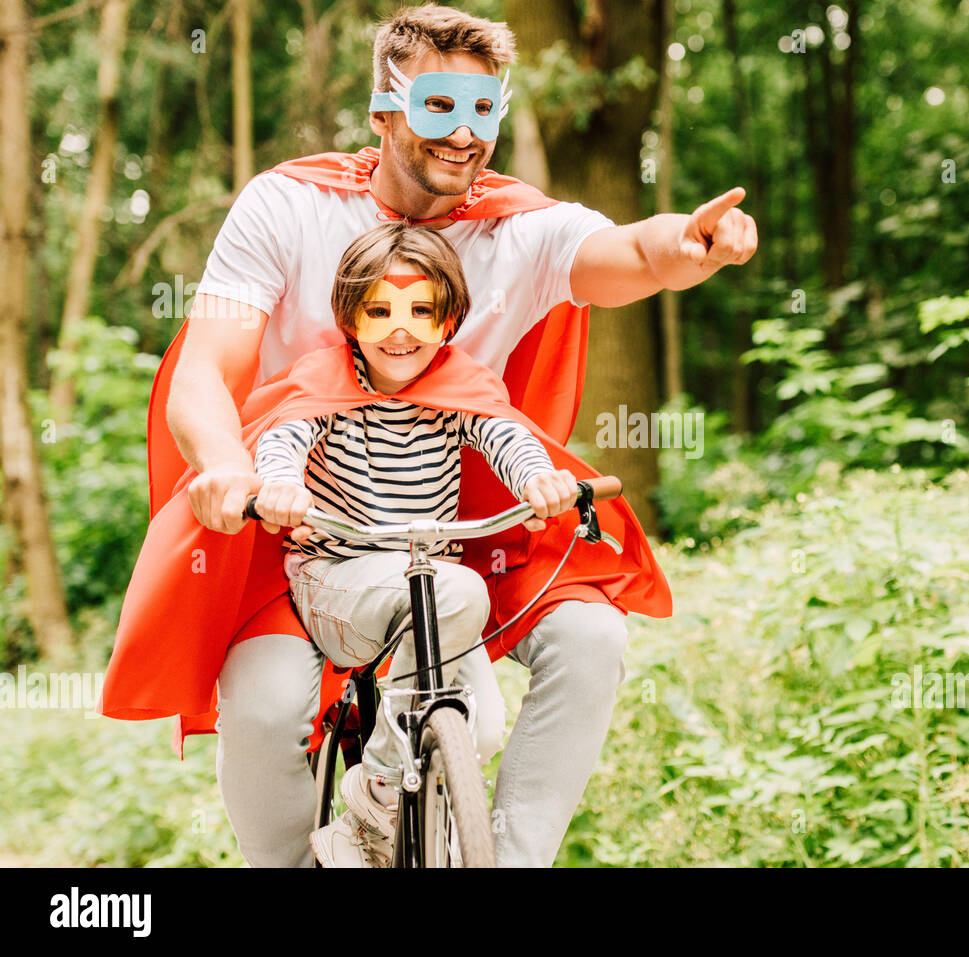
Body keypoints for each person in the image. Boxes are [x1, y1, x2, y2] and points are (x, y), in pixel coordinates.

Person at [101, 3, 755, 868]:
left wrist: (693, 244)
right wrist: (227, 470)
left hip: (461, 514)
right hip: (292, 518)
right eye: (439, 107)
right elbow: (205, 371)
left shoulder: (517, 227)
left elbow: (630, 255)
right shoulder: (287, 206)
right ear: (384, 110)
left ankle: (500, 860)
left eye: (484, 110)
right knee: (262, 710)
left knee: (592, 639)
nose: (465, 136)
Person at [253, 222, 579, 866]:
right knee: (459, 590)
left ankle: (430, 837)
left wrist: (538, 476)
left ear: (448, 318)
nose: (400, 331)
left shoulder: (457, 386)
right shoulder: (324, 384)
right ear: (349, 317)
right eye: (379, 310)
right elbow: (282, 439)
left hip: (430, 598)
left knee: (479, 729)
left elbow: (501, 434)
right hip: (338, 578)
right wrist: (280, 486)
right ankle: (373, 800)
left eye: (421, 311)